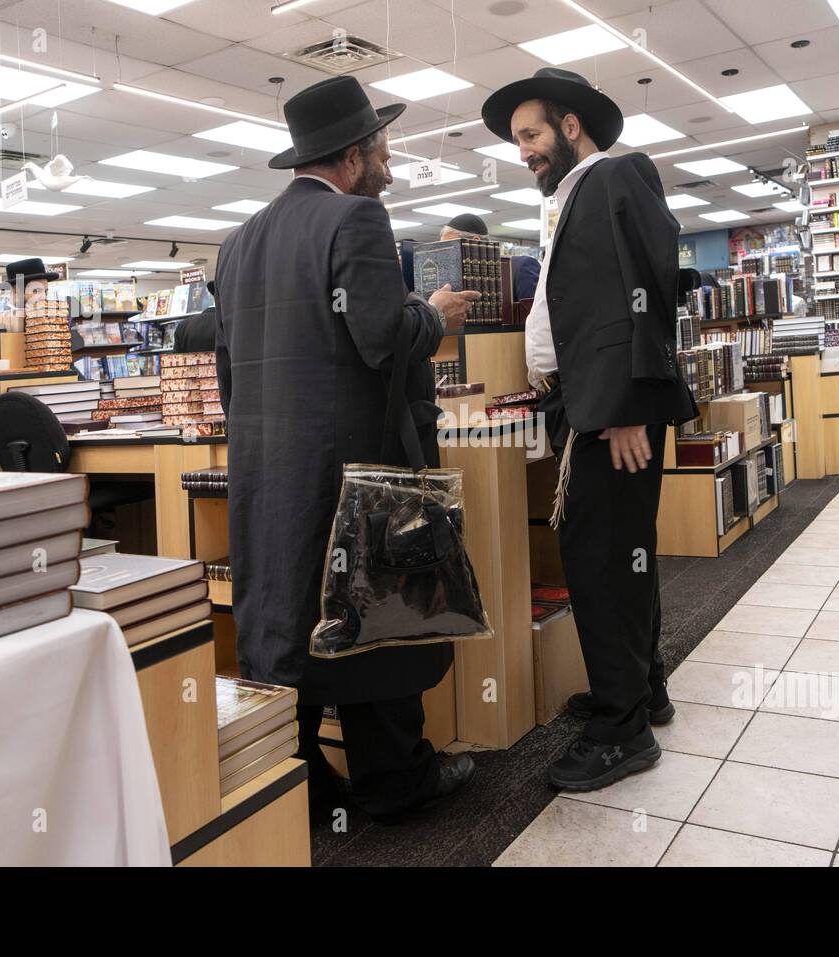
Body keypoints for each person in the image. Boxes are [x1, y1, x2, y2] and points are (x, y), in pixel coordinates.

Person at [213, 75, 479, 821]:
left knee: (291, 615)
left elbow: (230, 376)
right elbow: (380, 338)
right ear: (356, 156)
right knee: (375, 617)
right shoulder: (357, 219)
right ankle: (395, 779)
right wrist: (430, 314)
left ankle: (298, 778)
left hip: (269, 473)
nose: (390, 159)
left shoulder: (236, 244)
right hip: (353, 468)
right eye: (384, 145)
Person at [481, 67, 696, 791]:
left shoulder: (619, 174)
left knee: (603, 558)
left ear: (572, 126)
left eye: (532, 135)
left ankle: (622, 728)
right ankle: (642, 687)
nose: (524, 152)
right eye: (519, 142)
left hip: (613, 408)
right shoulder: (575, 195)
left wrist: (627, 405)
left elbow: (648, 284)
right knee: (619, 555)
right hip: (592, 405)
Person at [439, 213, 542, 301]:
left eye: (451, 246)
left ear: (475, 241)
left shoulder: (519, 267)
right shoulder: (459, 278)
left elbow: (535, 316)